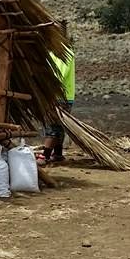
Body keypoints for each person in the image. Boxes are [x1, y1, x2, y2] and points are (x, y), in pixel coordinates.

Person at [38, 22, 76, 166]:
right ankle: (58, 153)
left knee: (52, 126)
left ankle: (45, 155)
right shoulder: (58, 51)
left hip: (59, 95)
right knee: (59, 125)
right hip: (62, 95)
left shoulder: (63, 52)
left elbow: (59, 75)